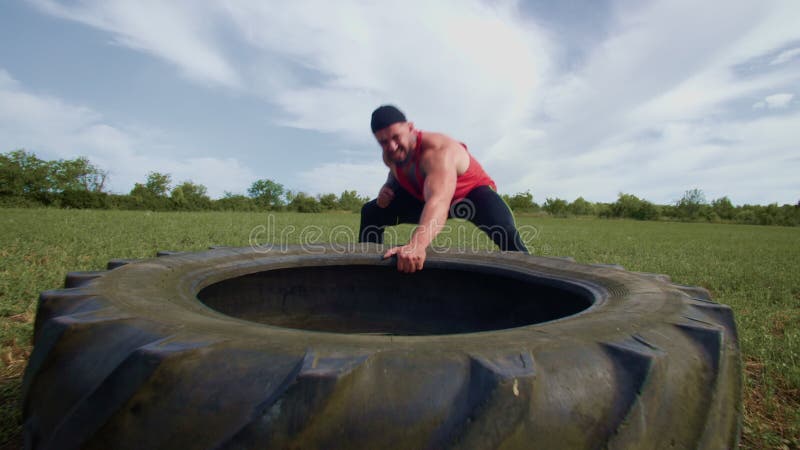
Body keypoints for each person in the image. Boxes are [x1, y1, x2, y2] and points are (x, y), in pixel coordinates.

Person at [360, 105, 528, 273]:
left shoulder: (436, 151)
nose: (392, 146)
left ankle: (528, 279)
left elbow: (439, 201)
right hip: (425, 196)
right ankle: (367, 275)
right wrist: (388, 187)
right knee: (371, 212)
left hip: (471, 195)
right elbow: (395, 172)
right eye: (383, 142)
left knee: (505, 232)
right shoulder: (390, 155)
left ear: (410, 128)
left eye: (396, 137)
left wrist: (417, 244)